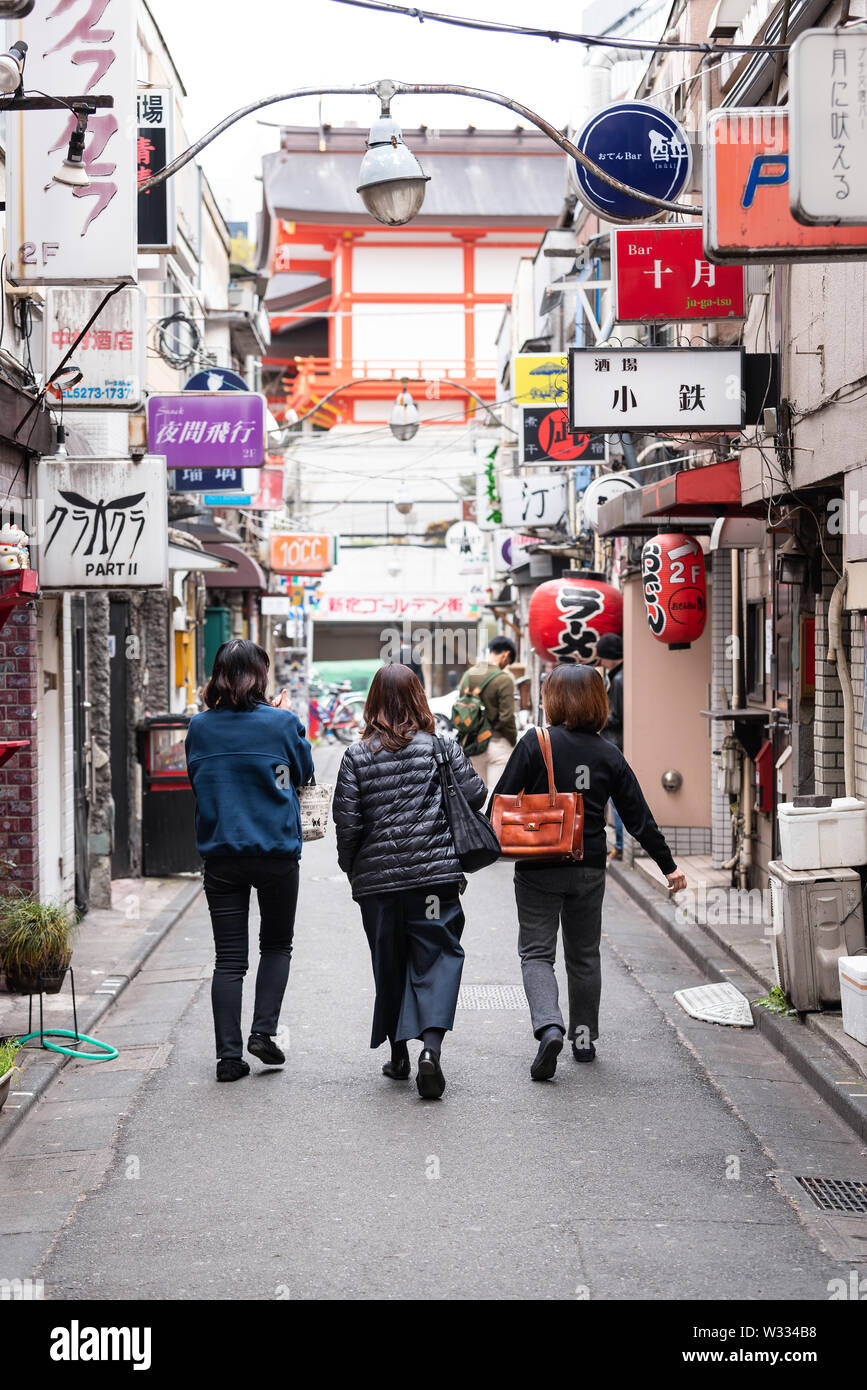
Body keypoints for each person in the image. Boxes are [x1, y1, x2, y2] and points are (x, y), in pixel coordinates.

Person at [490, 663, 686, 1082]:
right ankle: (583, 1039)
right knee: (583, 955)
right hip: (589, 865)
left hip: (537, 864)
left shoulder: (534, 743)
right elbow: (638, 816)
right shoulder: (607, 752)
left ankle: (549, 1027)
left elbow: (500, 803)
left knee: (536, 953)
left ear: (553, 699)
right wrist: (667, 866)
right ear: (599, 702)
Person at [333, 663, 486, 1099]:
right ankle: (430, 1053)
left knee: (390, 961)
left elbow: (348, 824)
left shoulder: (357, 756)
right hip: (434, 880)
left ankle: (398, 1055)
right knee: (436, 957)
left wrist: (352, 869)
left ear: (373, 701)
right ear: (419, 698)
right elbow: (475, 794)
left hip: (378, 886)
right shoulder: (441, 747)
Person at [185, 639, 314, 1083]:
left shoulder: (200, 727)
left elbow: (199, 780)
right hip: (275, 852)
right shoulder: (281, 723)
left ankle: (227, 1058)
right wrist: (282, 720)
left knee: (229, 959)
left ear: (218, 675)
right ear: (260, 675)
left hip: (221, 855)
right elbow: (305, 774)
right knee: (277, 945)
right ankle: (262, 1031)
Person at [454, 636, 518, 790]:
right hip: (498, 744)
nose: (505, 665)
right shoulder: (504, 679)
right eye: (508, 661)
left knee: (479, 794)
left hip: (474, 744)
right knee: (496, 796)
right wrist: (513, 742)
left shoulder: (468, 675)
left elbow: (463, 708)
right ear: (505, 654)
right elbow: (507, 717)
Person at [596, 632, 624, 860]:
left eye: (603, 657)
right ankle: (620, 845)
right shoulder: (619, 677)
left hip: (614, 742)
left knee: (615, 799)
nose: (600, 662)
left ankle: (622, 846)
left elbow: (617, 716)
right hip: (617, 743)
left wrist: (596, 718)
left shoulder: (618, 680)